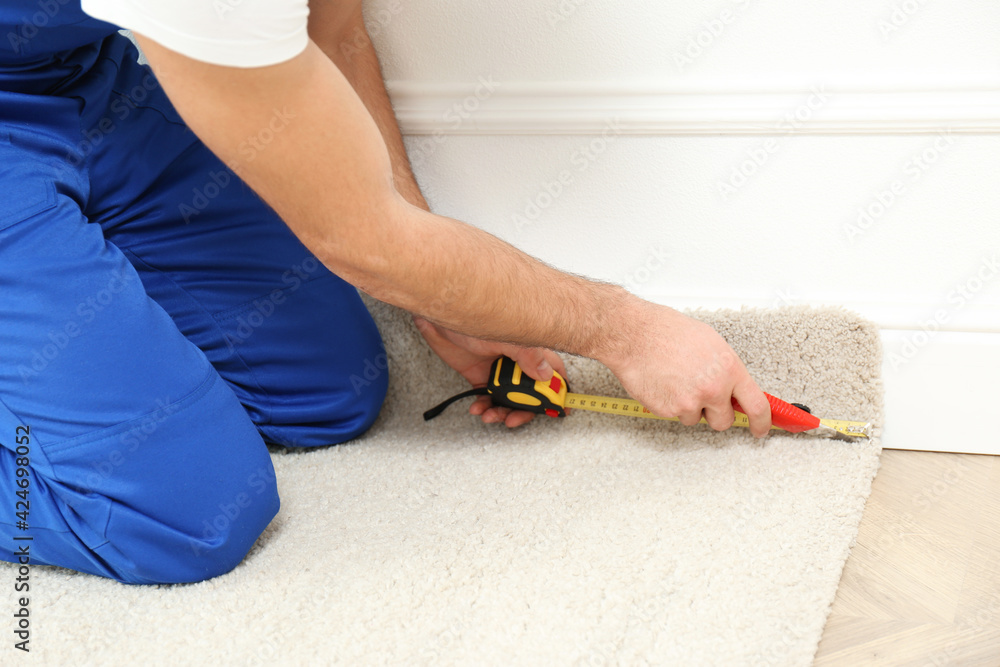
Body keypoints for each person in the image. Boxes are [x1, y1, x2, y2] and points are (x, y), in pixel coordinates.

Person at [0, 1, 772, 584]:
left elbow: (333, 34)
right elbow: (359, 241)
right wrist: (621, 329)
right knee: (183, 512)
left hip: (70, 81)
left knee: (322, 394)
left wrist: (437, 292)